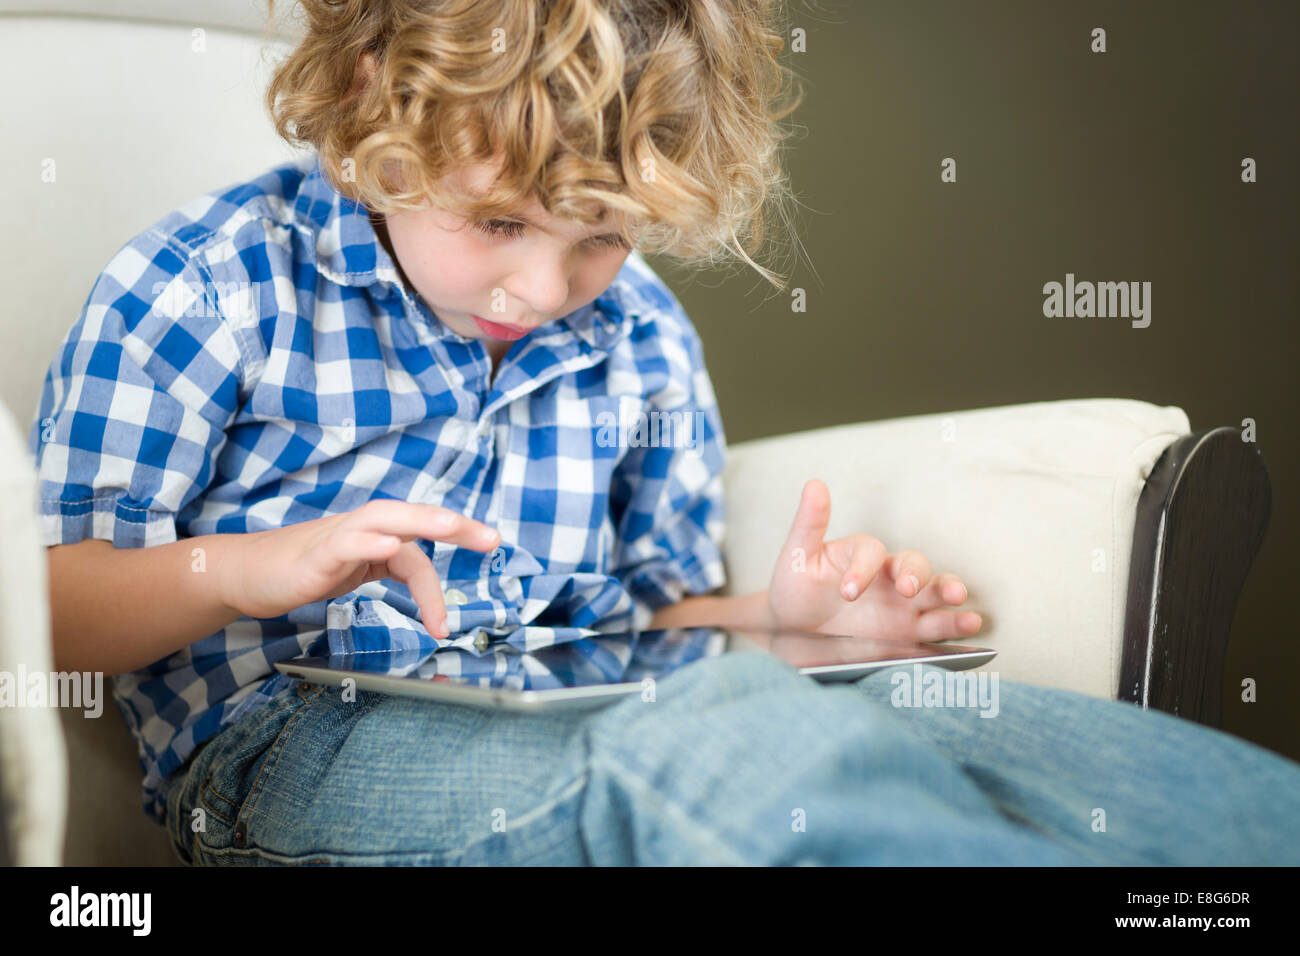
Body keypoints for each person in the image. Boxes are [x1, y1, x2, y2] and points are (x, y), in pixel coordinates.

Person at [33, 0, 1300, 865]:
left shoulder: (634, 332)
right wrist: (253, 567)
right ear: (379, 110)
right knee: (718, 753)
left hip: (585, 689)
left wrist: (779, 623)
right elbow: (41, 613)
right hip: (284, 748)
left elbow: (641, 632)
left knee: (1066, 758)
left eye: (599, 237)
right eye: (497, 224)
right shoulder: (202, 286)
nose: (539, 290)